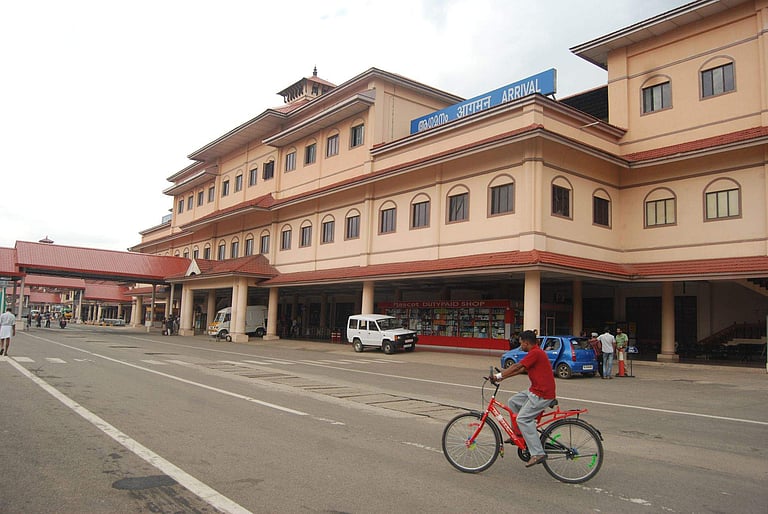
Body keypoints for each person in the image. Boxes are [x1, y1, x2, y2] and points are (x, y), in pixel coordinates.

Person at [491, 329, 555, 468]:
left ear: (526, 343)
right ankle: (519, 435)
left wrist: (498, 376)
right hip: (535, 390)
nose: (520, 346)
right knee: (513, 402)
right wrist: (503, 378)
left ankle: (538, 453)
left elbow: (517, 366)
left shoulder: (536, 353)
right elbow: (520, 370)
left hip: (542, 394)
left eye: (521, 344)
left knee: (523, 419)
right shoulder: (535, 353)